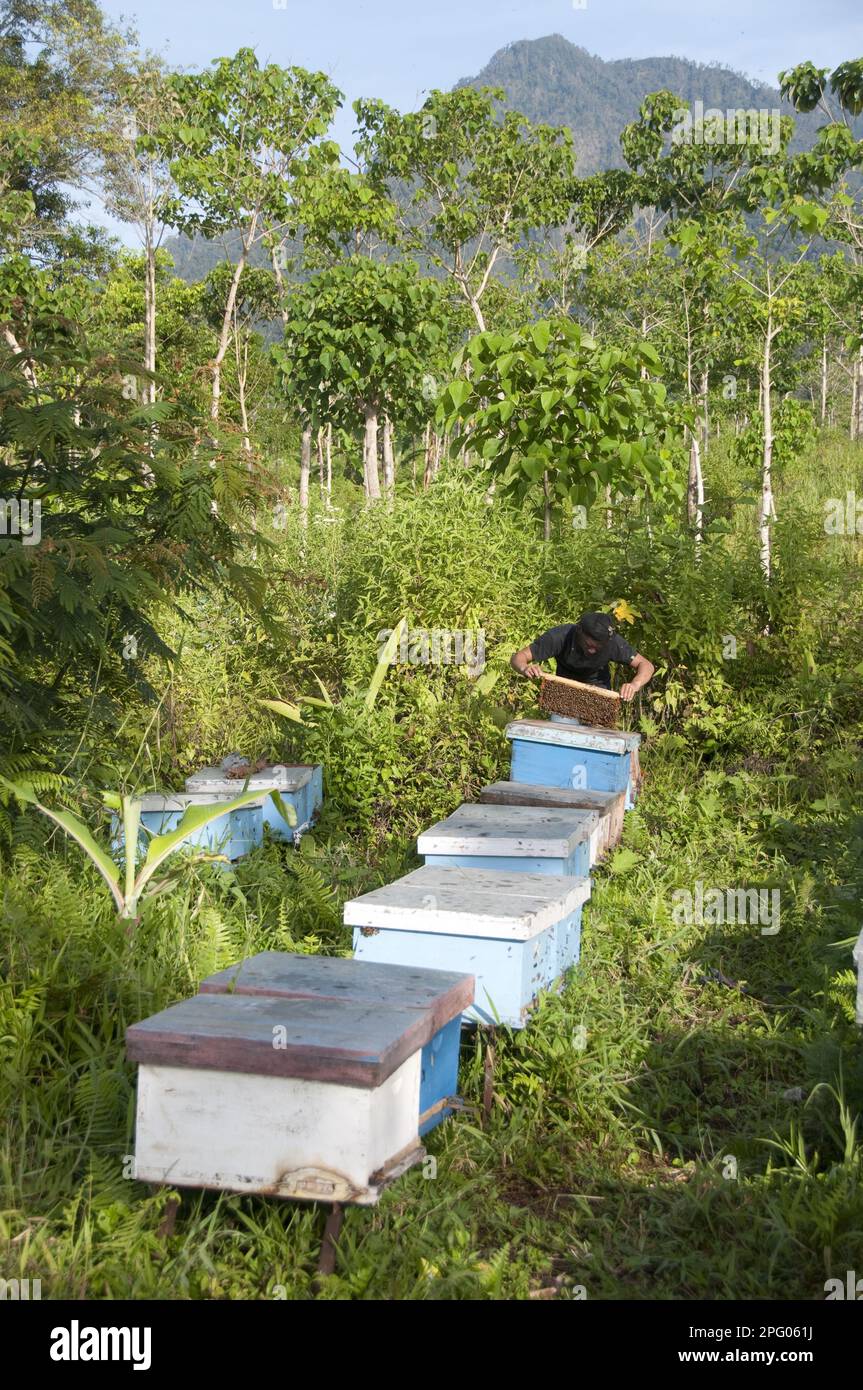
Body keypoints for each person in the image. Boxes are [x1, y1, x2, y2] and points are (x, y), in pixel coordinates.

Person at [510, 610, 655, 702]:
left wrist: (634, 685)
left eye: (598, 647)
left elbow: (646, 665)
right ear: (579, 631)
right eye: (588, 645)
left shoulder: (613, 642)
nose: (592, 650)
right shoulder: (560, 636)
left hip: (599, 692)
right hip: (562, 689)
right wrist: (524, 668)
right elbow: (518, 657)